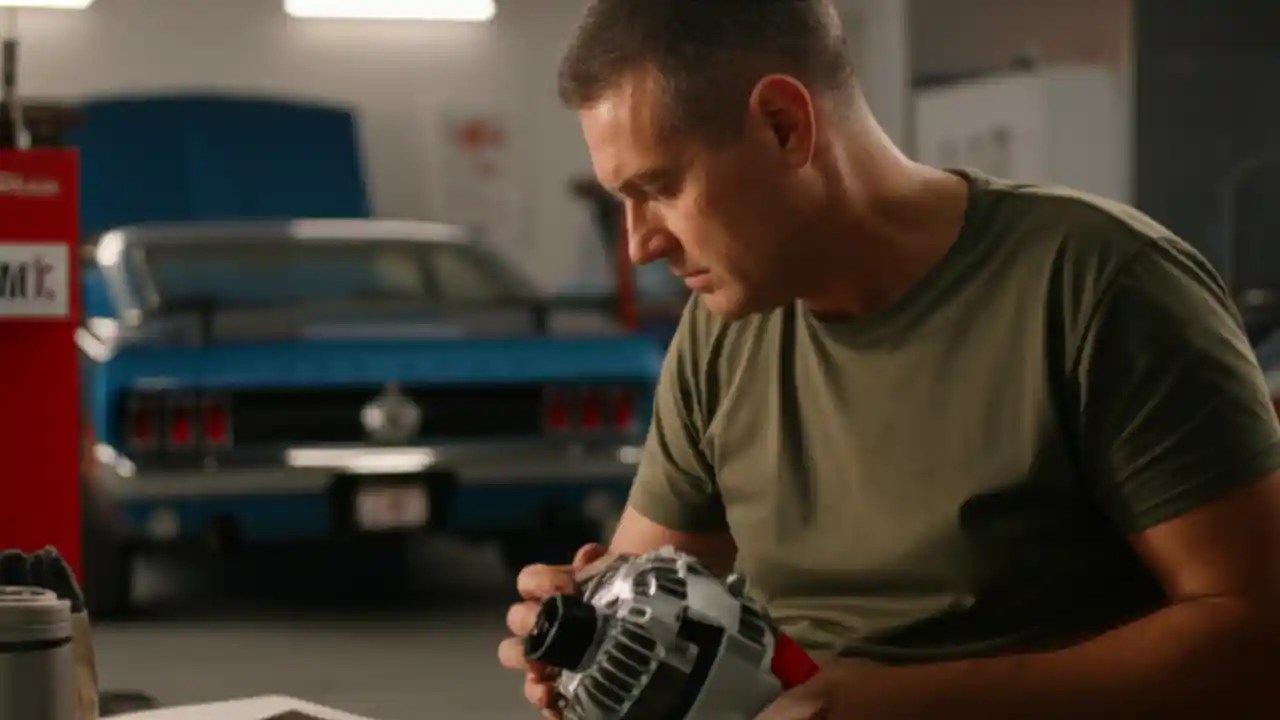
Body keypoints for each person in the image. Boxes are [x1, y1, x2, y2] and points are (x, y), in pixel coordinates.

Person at [498, 0, 1280, 717]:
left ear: (782, 125)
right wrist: (579, 627)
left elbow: (1255, 640)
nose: (638, 245)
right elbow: (649, 587)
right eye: (621, 202)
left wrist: (904, 706)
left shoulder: (1098, 288)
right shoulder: (723, 331)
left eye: (660, 188)